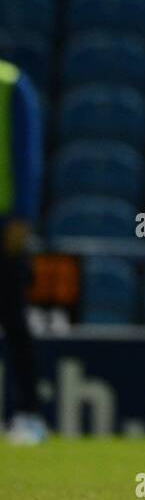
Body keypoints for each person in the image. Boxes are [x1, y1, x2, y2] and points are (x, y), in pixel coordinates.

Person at [0, 59, 47, 445]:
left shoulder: (11, 82)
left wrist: (23, 215)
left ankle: (27, 415)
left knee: (13, 321)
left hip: (5, 224)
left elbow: (27, 154)